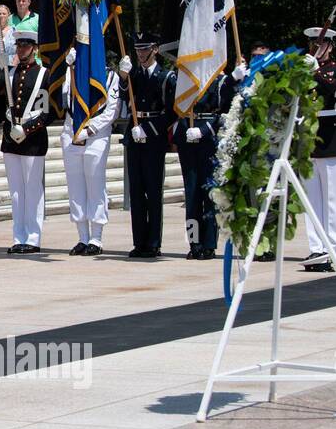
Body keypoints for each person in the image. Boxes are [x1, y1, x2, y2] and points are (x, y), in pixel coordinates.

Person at [168, 56, 237, 261]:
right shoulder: (183, 80)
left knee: (209, 194)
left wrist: (204, 130)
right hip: (187, 136)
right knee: (191, 194)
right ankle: (194, 242)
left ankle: (209, 244)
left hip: (207, 139)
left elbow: (224, 110)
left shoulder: (217, 81)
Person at [0, 30, 52, 253]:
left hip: (32, 140)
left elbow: (47, 112)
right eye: (19, 46)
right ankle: (19, 236)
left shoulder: (44, 74)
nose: (21, 50)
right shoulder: (9, 74)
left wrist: (26, 129)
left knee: (33, 190)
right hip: (10, 139)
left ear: (34, 48)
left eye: (26, 46)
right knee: (16, 192)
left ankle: (33, 238)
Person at [59, 47, 120, 255]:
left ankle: (96, 237)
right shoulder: (72, 71)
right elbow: (64, 99)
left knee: (95, 184)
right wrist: (68, 68)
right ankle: (82, 237)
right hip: (72, 131)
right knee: (75, 187)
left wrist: (90, 128)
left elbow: (112, 110)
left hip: (96, 133)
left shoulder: (109, 75)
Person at [118, 32, 173, 258]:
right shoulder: (133, 75)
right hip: (134, 132)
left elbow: (171, 113)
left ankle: (153, 242)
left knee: (153, 190)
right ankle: (139, 241)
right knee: (137, 192)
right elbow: (124, 98)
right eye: (138, 50)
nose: (141, 54)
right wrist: (123, 78)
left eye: (145, 49)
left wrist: (148, 130)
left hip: (153, 137)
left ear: (155, 50)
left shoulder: (166, 76)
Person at [301, 24, 336, 271]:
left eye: (321, 44)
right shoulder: (304, 71)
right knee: (312, 200)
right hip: (308, 141)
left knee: (331, 199)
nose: (317, 48)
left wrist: (318, 75)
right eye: (314, 44)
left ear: (330, 46)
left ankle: (331, 248)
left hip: (330, 139)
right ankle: (315, 248)